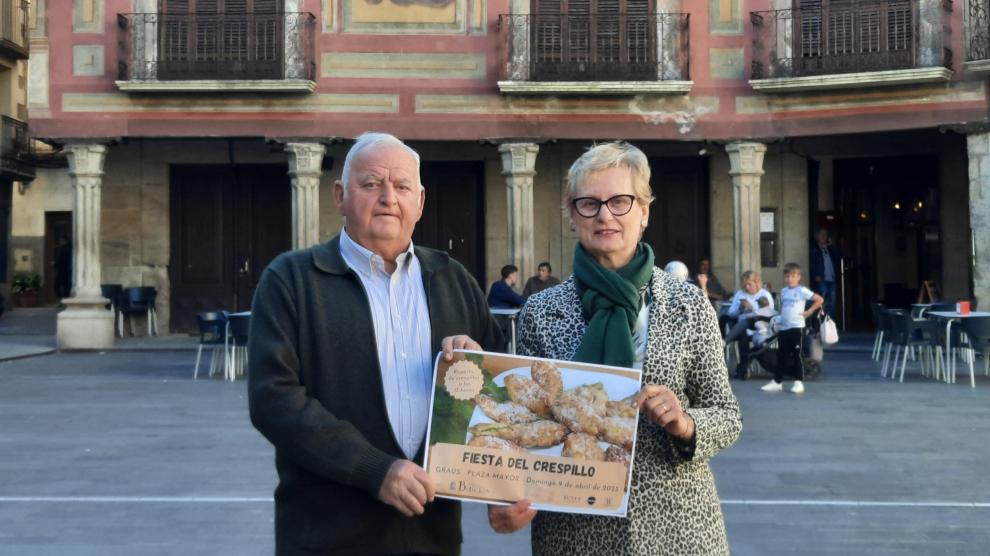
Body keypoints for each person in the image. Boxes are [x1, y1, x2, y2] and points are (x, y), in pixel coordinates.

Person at [247, 132, 504, 555]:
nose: (388, 197)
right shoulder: (291, 280)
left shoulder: (453, 280)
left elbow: (500, 395)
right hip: (324, 538)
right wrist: (374, 470)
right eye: (371, 184)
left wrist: (503, 490)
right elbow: (273, 399)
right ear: (340, 195)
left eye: (402, 186)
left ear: (419, 202)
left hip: (432, 538)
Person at [491, 141, 742, 554]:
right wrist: (502, 498)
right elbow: (525, 421)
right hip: (573, 530)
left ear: (644, 211)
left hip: (675, 527)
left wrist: (684, 423)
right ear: (572, 216)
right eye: (588, 203)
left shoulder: (688, 304)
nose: (605, 214)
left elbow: (727, 414)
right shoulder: (540, 310)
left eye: (621, 201)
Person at [761, 262, 824, 394]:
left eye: (792, 276)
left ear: (798, 277)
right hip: (784, 328)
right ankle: (777, 382)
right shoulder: (783, 292)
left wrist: (809, 311)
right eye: (787, 276)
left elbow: (819, 300)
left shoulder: (802, 290)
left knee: (797, 355)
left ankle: (798, 381)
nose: (789, 279)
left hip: (796, 328)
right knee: (781, 355)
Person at [724, 270, 775, 379]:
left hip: (760, 326)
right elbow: (731, 314)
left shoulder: (764, 294)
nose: (747, 287)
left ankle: (726, 342)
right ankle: (743, 368)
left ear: (756, 283)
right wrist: (739, 309)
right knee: (743, 332)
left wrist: (752, 308)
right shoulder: (740, 294)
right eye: (745, 285)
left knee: (747, 322)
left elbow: (769, 313)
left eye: (749, 284)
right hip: (741, 328)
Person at [810, 229, 841, 316]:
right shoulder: (814, 249)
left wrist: (832, 245)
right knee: (821, 302)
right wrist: (815, 275)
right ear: (817, 237)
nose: (824, 236)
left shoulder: (830, 249)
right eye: (821, 234)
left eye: (825, 234)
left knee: (832, 304)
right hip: (821, 279)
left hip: (832, 279)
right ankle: (820, 325)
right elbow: (812, 264)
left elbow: (839, 256)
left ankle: (830, 325)